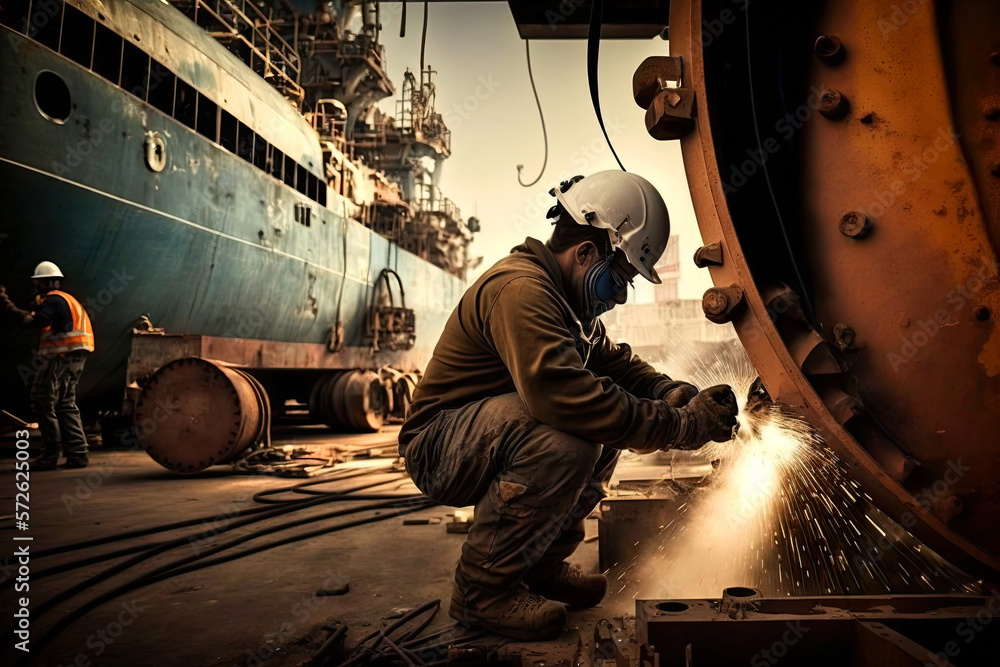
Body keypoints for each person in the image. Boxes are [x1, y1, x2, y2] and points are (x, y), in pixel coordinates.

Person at [398, 171, 739, 640]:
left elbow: (617, 365)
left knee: (605, 428)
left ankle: (538, 565)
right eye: (618, 279)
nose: (619, 296)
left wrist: (669, 392)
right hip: (438, 449)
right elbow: (563, 397)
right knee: (569, 438)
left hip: (479, 437)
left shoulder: (568, 304)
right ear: (585, 254)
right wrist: (681, 427)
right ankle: (483, 591)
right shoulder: (522, 291)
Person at [1, 261, 94, 470]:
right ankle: (78, 455)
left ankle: (49, 457)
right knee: (66, 404)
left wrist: (7, 304)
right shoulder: (66, 299)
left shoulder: (53, 300)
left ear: (40, 283)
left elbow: (38, 321)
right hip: (76, 357)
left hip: (60, 357)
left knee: (41, 400)